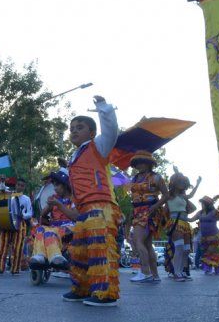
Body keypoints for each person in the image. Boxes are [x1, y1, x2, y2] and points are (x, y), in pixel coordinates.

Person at [61, 95, 120, 307]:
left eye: (80, 127)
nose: (74, 130)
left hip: (100, 206)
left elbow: (112, 131)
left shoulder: (99, 146)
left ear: (92, 133)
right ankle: (82, 288)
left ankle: (106, 294)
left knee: (99, 249)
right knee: (79, 250)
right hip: (83, 209)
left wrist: (104, 109)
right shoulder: (74, 156)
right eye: (72, 127)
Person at [127, 150, 168, 284]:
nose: (139, 165)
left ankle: (145, 272)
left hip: (150, 211)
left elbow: (166, 196)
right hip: (137, 211)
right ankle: (154, 275)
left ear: (149, 163)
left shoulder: (156, 178)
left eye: (142, 162)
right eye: (137, 162)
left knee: (137, 240)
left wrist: (155, 207)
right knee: (147, 244)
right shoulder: (134, 178)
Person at [29, 170, 77, 270]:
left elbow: (75, 216)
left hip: (70, 228)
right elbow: (42, 214)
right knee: (40, 229)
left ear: (65, 185)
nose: (55, 189)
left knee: (49, 232)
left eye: (57, 185)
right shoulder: (55, 198)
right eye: (54, 185)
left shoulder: (74, 199)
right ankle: (40, 255)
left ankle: (55, 256)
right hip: (54, 228)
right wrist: (49, 205)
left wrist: (58, 204)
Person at [163, 171, 199, 281]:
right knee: (178, 248)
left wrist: (198, 184)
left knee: (187, 250)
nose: (183, 183)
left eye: (184, 182)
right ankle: (176, 272)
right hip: (175, 222)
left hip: (185, 224)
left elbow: (191, 195)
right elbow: (162, 206)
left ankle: (182, 271)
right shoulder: (169, 195)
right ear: (174, 182)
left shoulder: (183, 196)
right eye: (180, 181)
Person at [0, 178, 33, 275]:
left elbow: (30, 212)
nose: (20, 187)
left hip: (20, 223)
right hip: (7, 221)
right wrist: (2, 181)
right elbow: (1, 189)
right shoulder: (9, 195)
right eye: (18, 185)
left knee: (18, 246)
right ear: (15, 185)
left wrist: (23, 215)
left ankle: (15, 269)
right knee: (3, 245)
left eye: (22, 185)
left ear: (24, 187)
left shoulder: (26, 199)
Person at [189, 196, 219, 274]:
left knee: (212, 251)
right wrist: (181, 216)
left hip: (214, 235)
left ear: (208, 204)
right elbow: (191, 219)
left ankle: (213, 268)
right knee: (207, 253)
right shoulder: (200, 213)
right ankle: (209, 268)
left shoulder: (215, 212)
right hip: (204, 237)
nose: (202, 205)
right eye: (201, 203)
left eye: (203, 203)